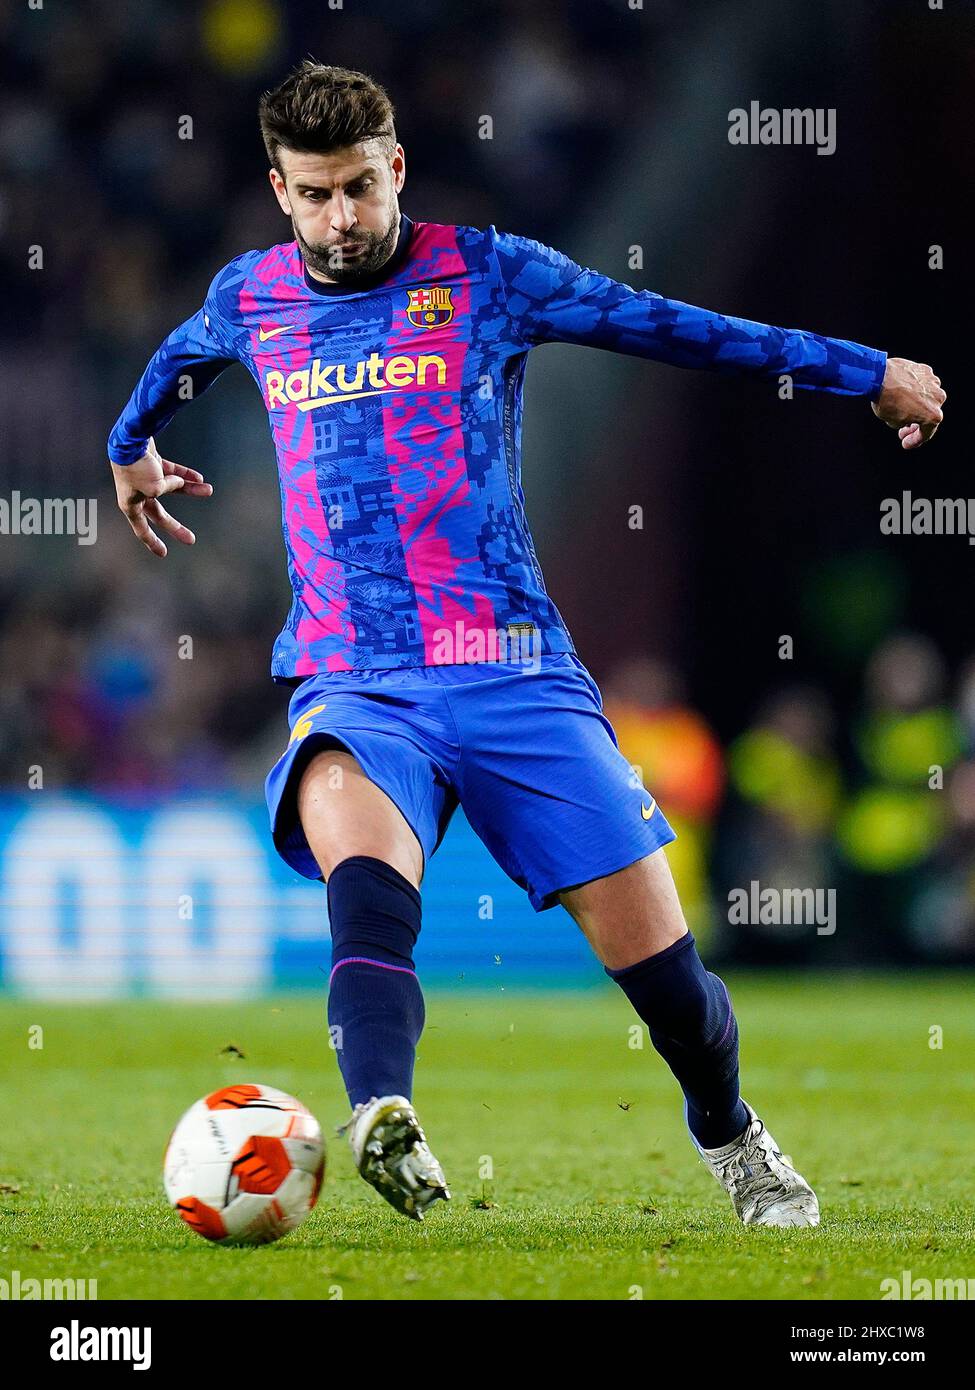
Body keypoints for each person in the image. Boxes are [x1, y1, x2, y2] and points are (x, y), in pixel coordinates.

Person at [107, 62, 946, 1226]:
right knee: (362, 867)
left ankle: (731, 1132)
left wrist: (871, 372)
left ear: (396, 167)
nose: (341, 218)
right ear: (279, 192)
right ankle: (380, 1112)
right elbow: (172, 364)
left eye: (359, 186)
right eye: (314, 195)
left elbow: (682, 331)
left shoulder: (492, 275)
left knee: (671, 988)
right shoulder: (250, 296)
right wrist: (127, 443)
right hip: (357, 675)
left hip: (511, 667)